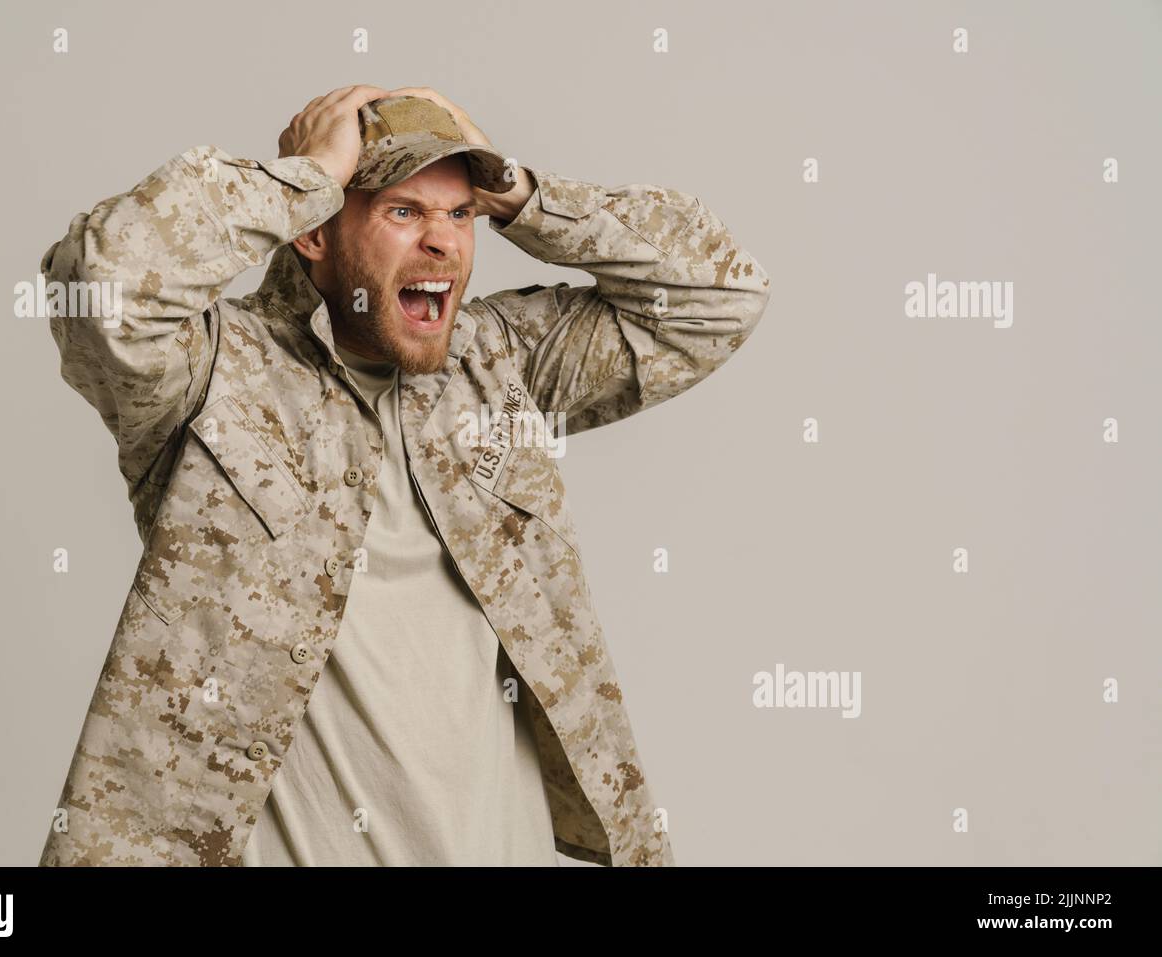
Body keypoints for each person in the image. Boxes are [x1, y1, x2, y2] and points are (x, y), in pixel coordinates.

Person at [39, 84, 771, 867]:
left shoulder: (502, 364)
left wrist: (524, 195)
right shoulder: (214, 376)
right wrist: (304, 177)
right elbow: (103, 284)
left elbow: (720, 296)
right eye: (404, 211)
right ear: (315, 233)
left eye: (459, 214)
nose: (445, 244)